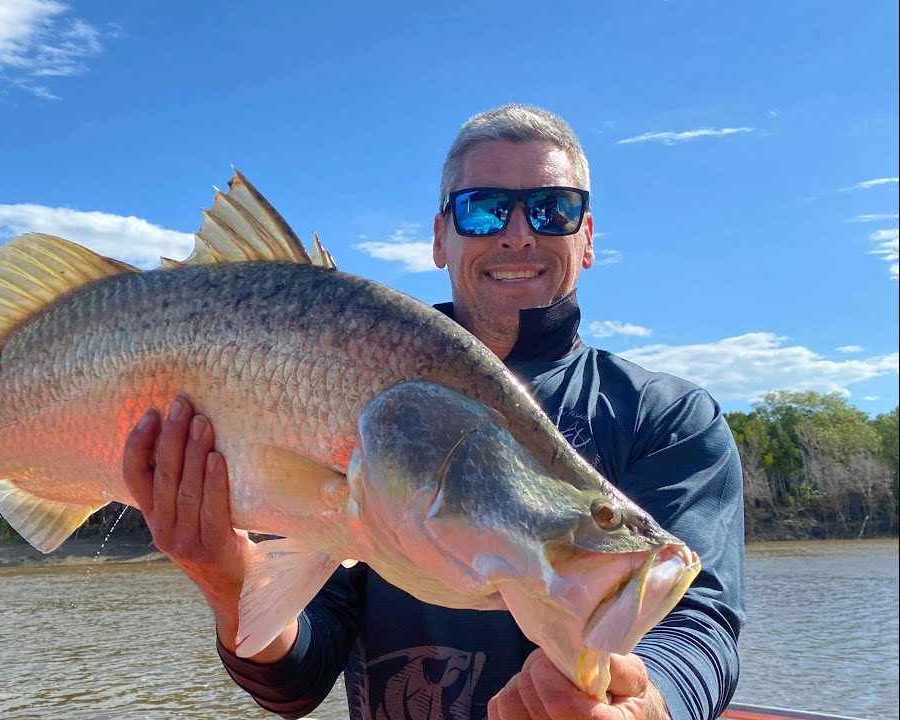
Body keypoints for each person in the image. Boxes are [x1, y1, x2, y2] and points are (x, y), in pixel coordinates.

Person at [121, 104, 746, 720]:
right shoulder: (365, 394)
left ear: (586, 239)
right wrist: (225, 574)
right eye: (484, 208)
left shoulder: (668, 417)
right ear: (439, 237)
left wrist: (645, 704)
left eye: (554, 208)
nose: (519, 232)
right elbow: (298, 681)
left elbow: (698, 628)